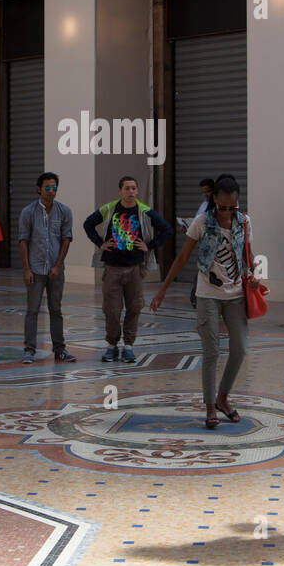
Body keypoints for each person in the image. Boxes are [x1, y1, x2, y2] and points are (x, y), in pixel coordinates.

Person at [150, 174, 255, 427]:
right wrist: (162, 290)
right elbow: (182, 258)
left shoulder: (244, 221)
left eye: (233, 207)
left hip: (236, 294)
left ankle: (223, 398)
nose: (227, 212)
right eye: (222, 207)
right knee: (211, 351)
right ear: (214, 201)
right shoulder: (201, 222)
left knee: (240, 349)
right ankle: (210, 407)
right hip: (208, 293)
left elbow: (248, 255)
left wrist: (252, 277)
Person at [83, 176, 174, 363]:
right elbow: (88, 224)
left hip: (135, 268)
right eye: (127, 188)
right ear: (120, 191)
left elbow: (167, 230)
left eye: (134, 188)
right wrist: (100, 243)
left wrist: (150, 245)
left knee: (134, 308)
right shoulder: (109, 209)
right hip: (112, 268)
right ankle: (111, 345)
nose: (131, 191)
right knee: (112, 310)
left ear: (137, 191)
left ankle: (129, 346)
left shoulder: (145, 211)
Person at [18, 171, 75, 364]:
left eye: (54, 188)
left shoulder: (64, 211)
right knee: (32, 310)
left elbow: (66, 239)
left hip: (55, 271)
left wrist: (58, 265)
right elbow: (23, 241)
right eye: (47, 188)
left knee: (56, 309)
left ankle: (59, 349)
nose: (51, 192)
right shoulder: (28, 212)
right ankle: (29, 350)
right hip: (35, 269)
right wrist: (26, 269)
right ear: (39, 189)